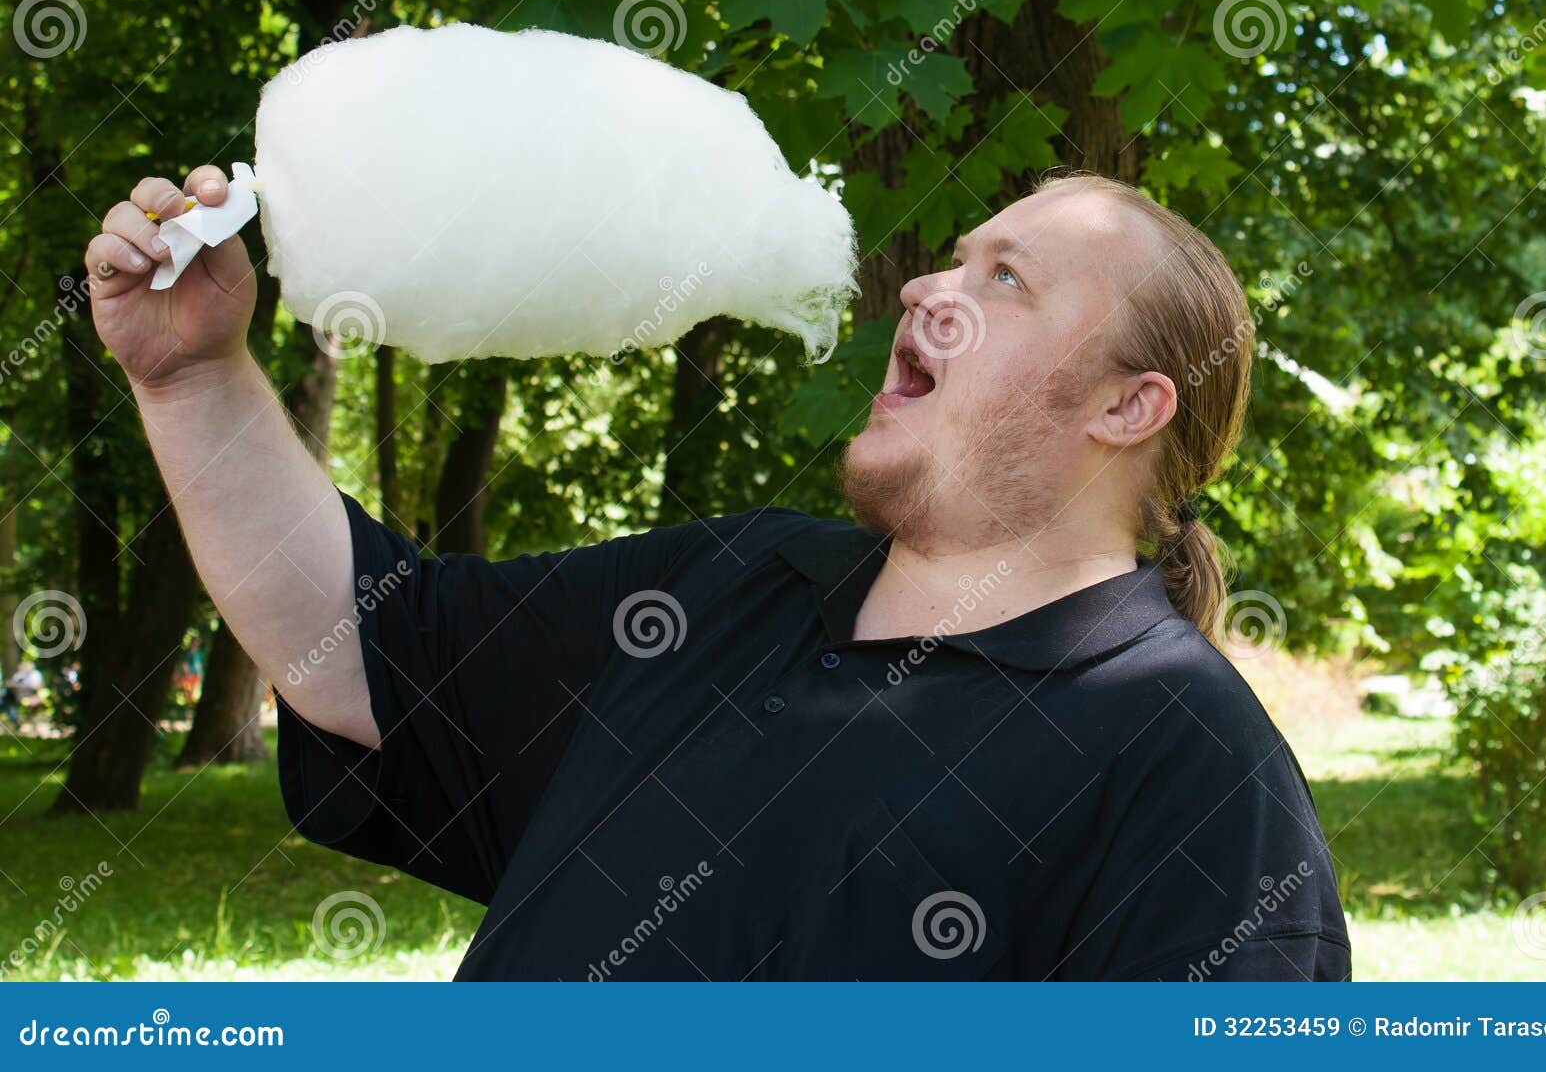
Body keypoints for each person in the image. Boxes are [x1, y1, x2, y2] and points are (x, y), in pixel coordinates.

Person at [86, 165, 1350, 981]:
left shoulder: (1195, 779)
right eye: (952, 257)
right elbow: (368, 649)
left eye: (1003, 280)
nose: (925, 286)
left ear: (1127, 409)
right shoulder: (729, 586)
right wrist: (190, 377)